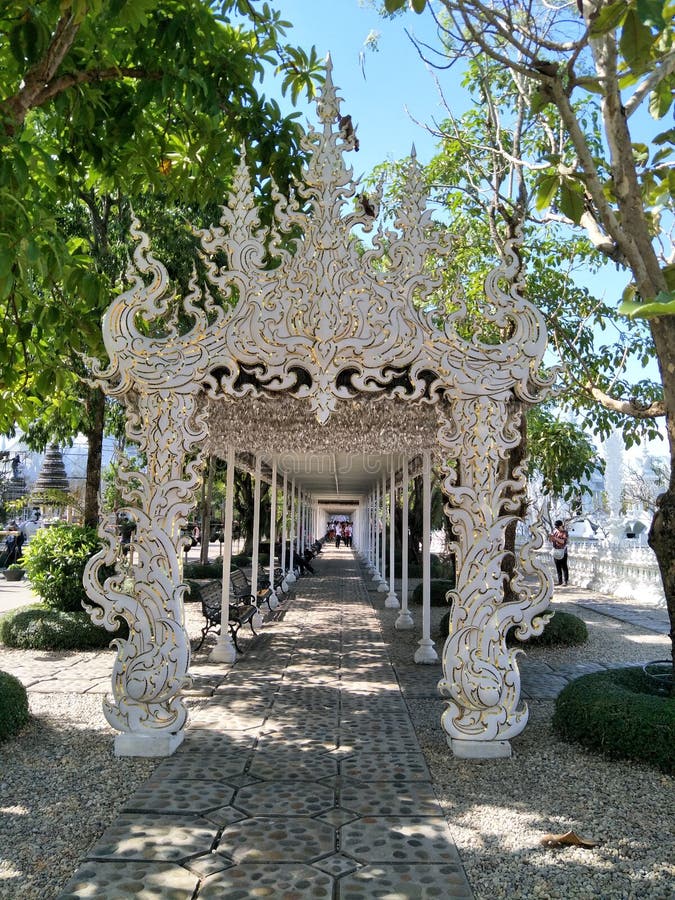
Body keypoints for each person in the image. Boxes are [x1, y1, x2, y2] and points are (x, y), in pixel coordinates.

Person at [549, 519, 569, 586]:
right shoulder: (555, 532)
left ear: (561, 526)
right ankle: (560, 581)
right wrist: (551, 538)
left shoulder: (565, 532)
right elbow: (551, 540)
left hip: (563, 551)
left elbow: (563, 541)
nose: (556, 528)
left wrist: (555, 538)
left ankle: (566, 581)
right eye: (556, 527)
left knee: (564, 567)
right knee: (558, 567)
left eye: (557, 527)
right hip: (556, 551)